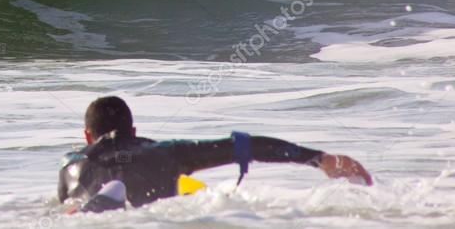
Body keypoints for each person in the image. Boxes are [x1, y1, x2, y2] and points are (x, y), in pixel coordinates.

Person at [59, 96, 373, 212]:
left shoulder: (70, 165)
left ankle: (103, 204)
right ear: (135, 131)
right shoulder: (166, 153)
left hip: (87, 205)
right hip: (153, 216)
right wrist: (319, 158)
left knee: (70, 211)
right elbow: (245, 147)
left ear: (88, 136)